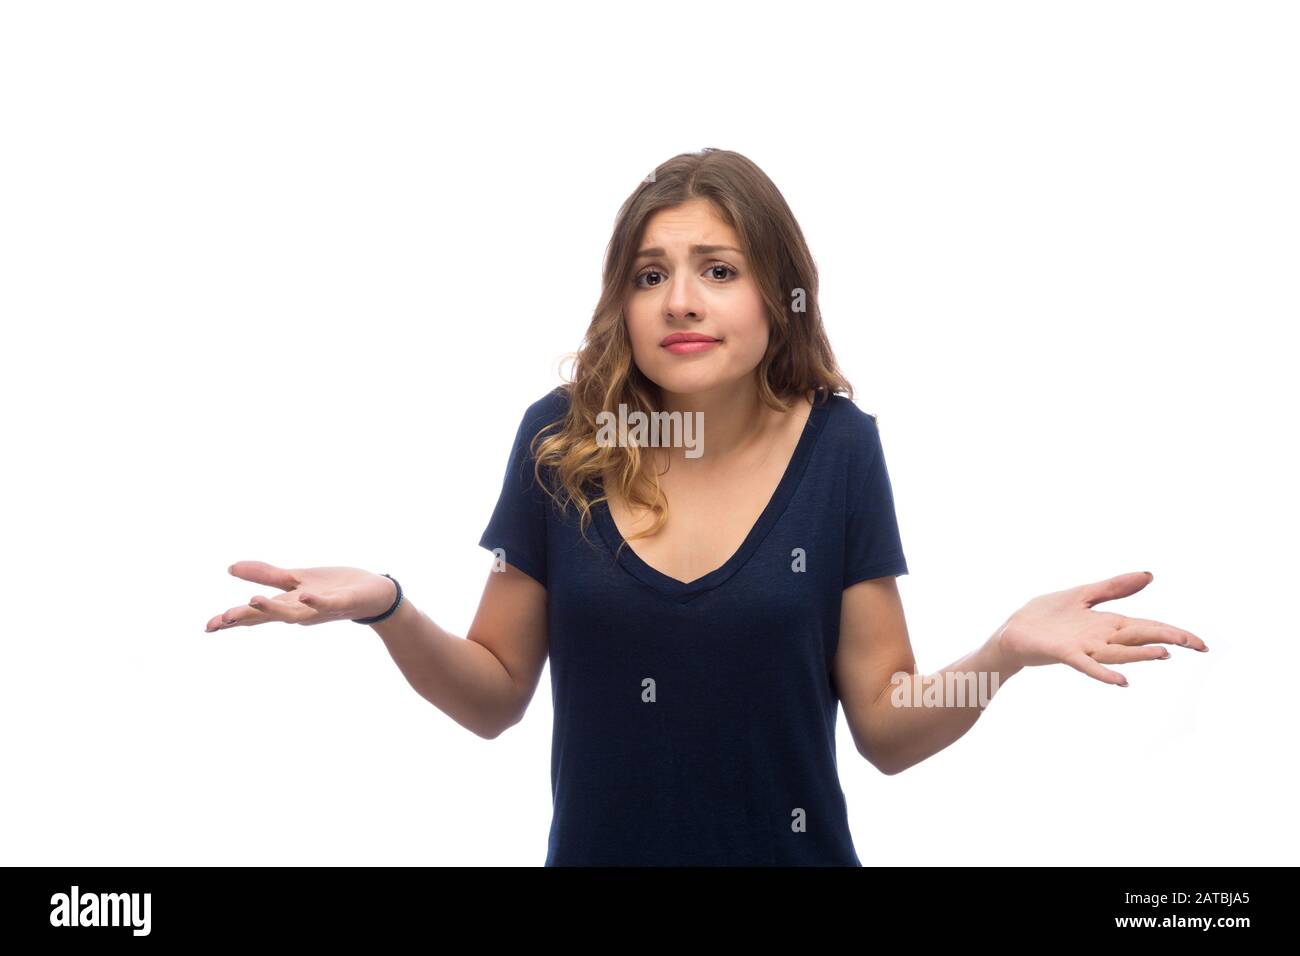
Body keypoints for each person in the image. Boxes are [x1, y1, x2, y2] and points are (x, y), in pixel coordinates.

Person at [203, 148, 1208, 866]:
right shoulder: (560, 441)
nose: (680, 300)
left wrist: (999, 653)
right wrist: (389, 605)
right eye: (651, 276)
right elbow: (495, 693)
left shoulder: (840, 449)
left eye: (716, 271)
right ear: (624, 305)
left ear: (777, 298)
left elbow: (886, 728)